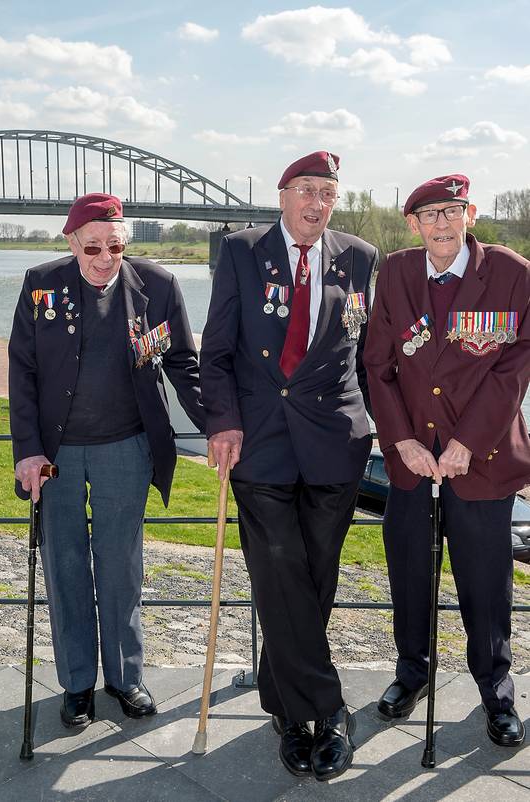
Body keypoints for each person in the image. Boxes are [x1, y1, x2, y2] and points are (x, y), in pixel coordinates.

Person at [200, 151, 378, 780]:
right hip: (262, 445)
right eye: (305, 189)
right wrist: (220, 421)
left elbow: (363, 355)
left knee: (316, 579)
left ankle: (283, 703)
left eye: (327, 192)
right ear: (282, 194)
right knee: (278, 567)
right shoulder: (243, 252)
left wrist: (385, 429)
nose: (315, 203)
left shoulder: (358, 256)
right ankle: (328, 711)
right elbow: (214, 351)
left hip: (335, 443)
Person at [9, 193, 205, 729]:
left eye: (114, 247)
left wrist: (219, 425)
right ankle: (76, 683)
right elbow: (22, 372)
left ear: (127, 244)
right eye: (91, 246)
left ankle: (125, 677)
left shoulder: (158, 286)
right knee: (65, 566)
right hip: (56, 454)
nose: (103, 258)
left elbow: (183, 364)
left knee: (121, 565)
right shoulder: (40, 283)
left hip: (128, 445)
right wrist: (27, 451)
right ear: (71, 241)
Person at [364, 174, 530, 747]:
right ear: (414, 224)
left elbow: (513, 368)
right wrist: (402, 441)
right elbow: (378, 365)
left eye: (450, 212)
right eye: (429, 214)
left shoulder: (510, 273)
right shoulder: (397, 273)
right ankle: (412, 674)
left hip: (481, 464)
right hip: (412, 464)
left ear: (470, 215)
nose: (440, 223)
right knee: (410, 575)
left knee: (486, 585)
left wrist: (468, 443)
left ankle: (496, 692)